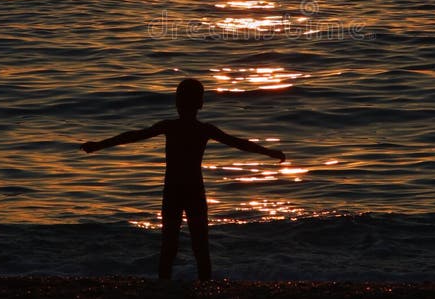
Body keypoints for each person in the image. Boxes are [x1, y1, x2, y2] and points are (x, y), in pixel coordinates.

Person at [80, 78, 285, 280]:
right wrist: (270, 152)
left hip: (174, 190)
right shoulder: (203, 129)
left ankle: (165, 288)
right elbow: (240, 143)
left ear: (178, 102)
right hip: (194, 190)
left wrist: (99, 145)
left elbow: (132, 136)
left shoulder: (171, 126)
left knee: (170, 245)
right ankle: (204, 286)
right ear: (200, 104)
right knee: (199, 246)